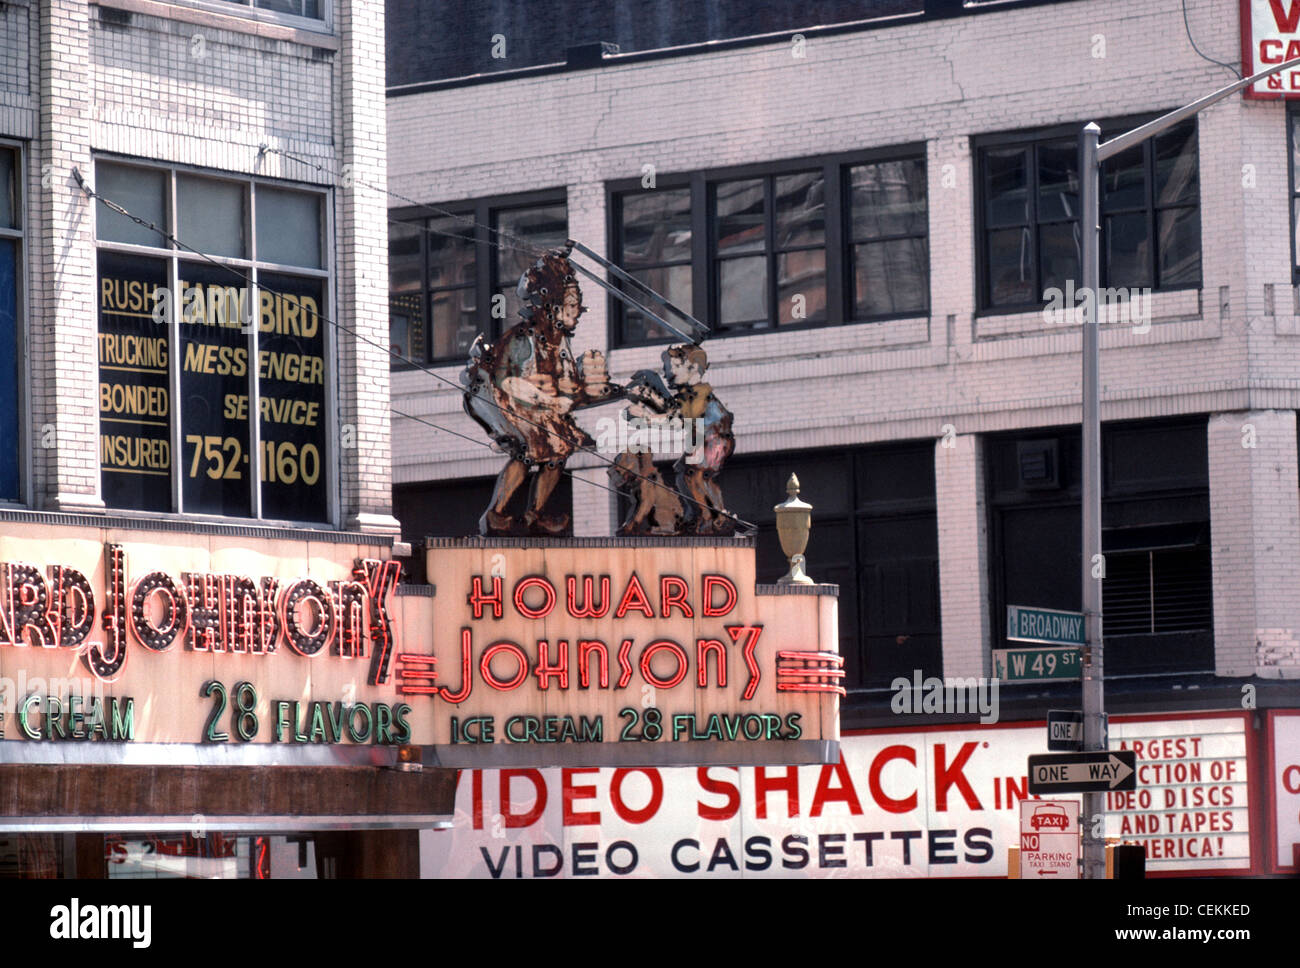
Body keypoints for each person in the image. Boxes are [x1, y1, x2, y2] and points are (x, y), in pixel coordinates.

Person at [462, 246, 618, 535]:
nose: (577, 312)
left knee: (557, 454)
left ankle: (534, 514)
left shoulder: (558, 343)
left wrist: (608, 391)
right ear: (553, 306)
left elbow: (569, 389)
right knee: (526, 452)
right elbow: (508, 381)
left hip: (540, 409)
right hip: (509, 404)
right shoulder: (525, 338)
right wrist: (549, 400)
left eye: (577, 305)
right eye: (572, 305)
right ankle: (496, 513)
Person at [662, 343, 735, 535]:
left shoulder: (700, 393)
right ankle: (696, 513)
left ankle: (711, 516)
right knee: (685, 474)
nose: (671, 372)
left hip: (715, 438)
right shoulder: (688, 394)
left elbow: (689, 417)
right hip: (705, 439)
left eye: (677, 367)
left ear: (694, 369)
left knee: (697, 475)